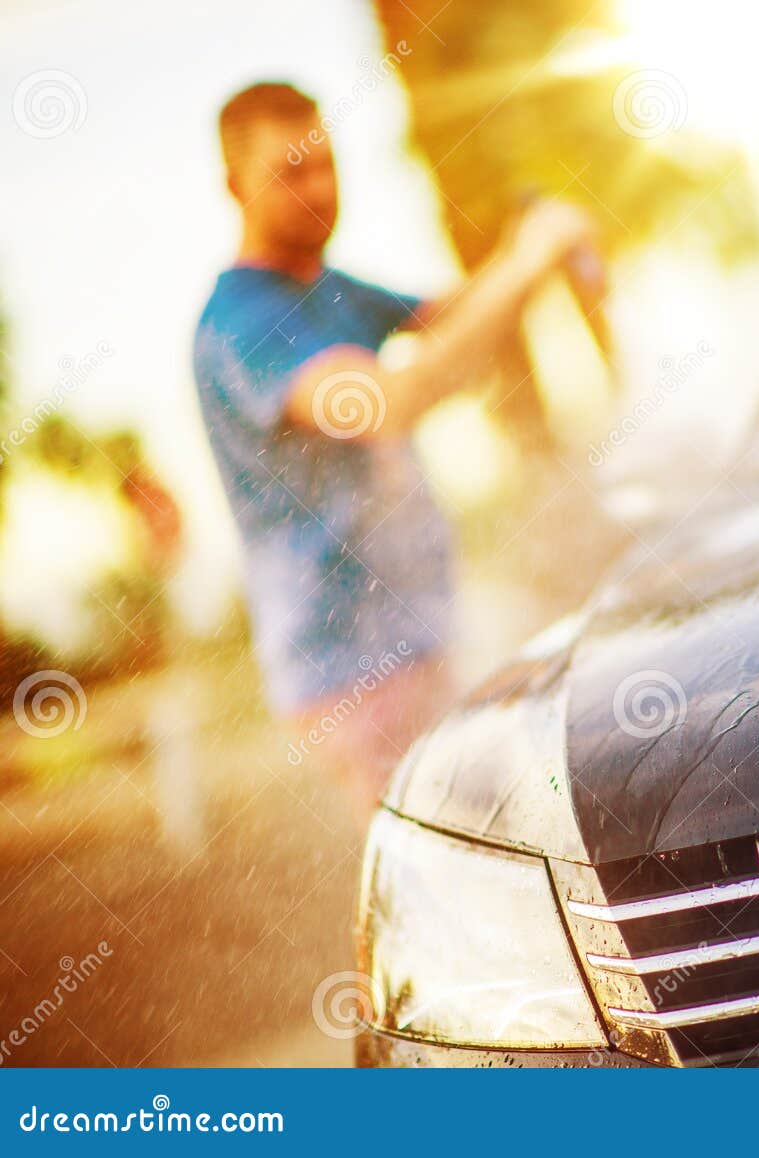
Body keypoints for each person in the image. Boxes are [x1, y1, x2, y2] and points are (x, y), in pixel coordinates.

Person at [192, 81, 595, 811]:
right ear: (233, 185)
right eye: (290, 171)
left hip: (421, 633)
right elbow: (383, 404)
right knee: (458, 852)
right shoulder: (240, 323)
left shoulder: (330, 287)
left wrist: (525, 243)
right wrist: (529, 262)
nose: (319, 189)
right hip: (350, 673)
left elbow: (454, 315)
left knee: (511, 829)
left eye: (326, 164)